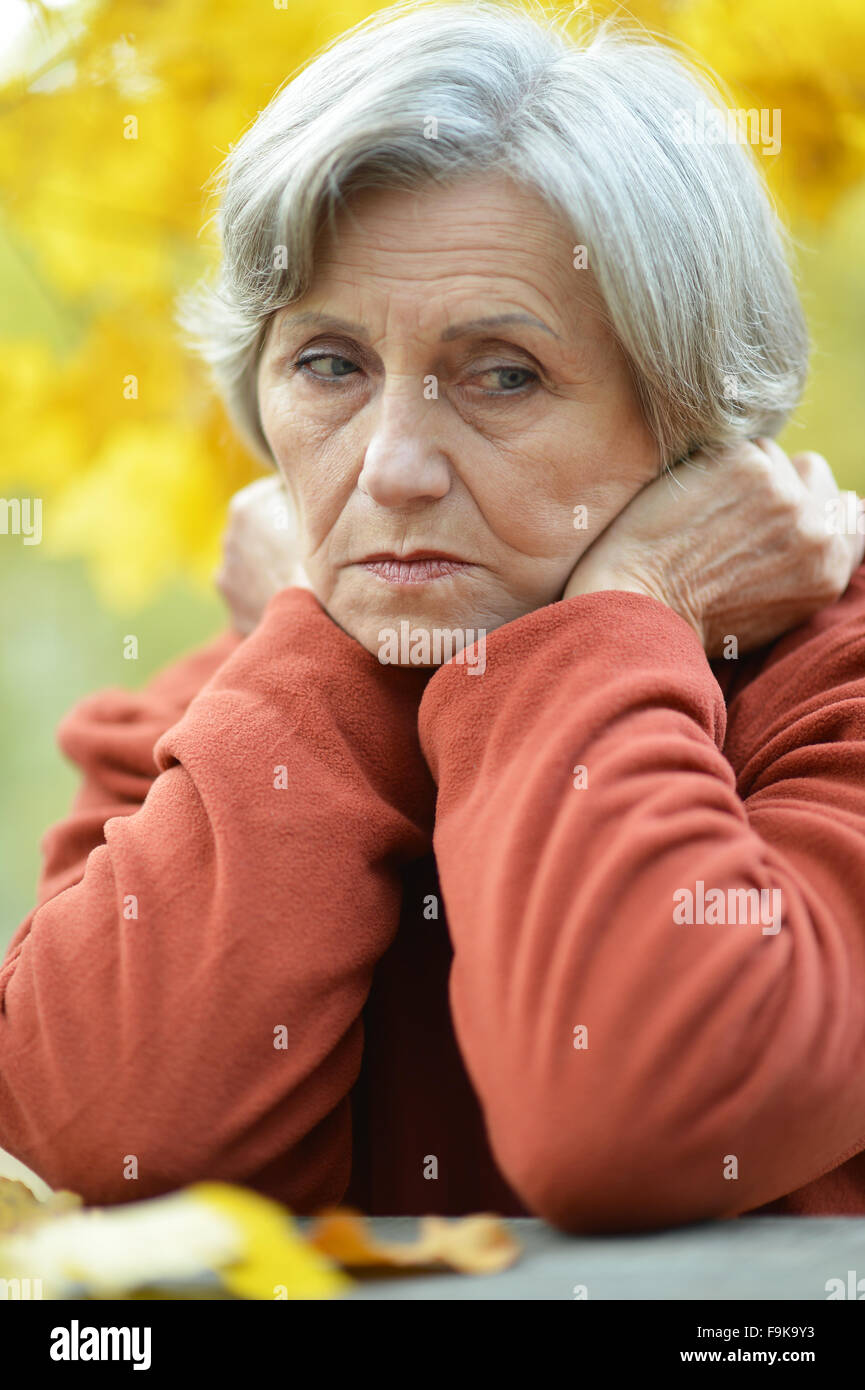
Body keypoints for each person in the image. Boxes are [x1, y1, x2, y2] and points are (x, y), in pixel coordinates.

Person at [2, 0, 865, 1233]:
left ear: (691, 421)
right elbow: (107, 1144)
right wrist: (323, 657)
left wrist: (622, 618)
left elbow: (629, 1120)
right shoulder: (216, 703)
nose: (392, 466)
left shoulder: (836, 691)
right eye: (331, 365)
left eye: (501, 373)